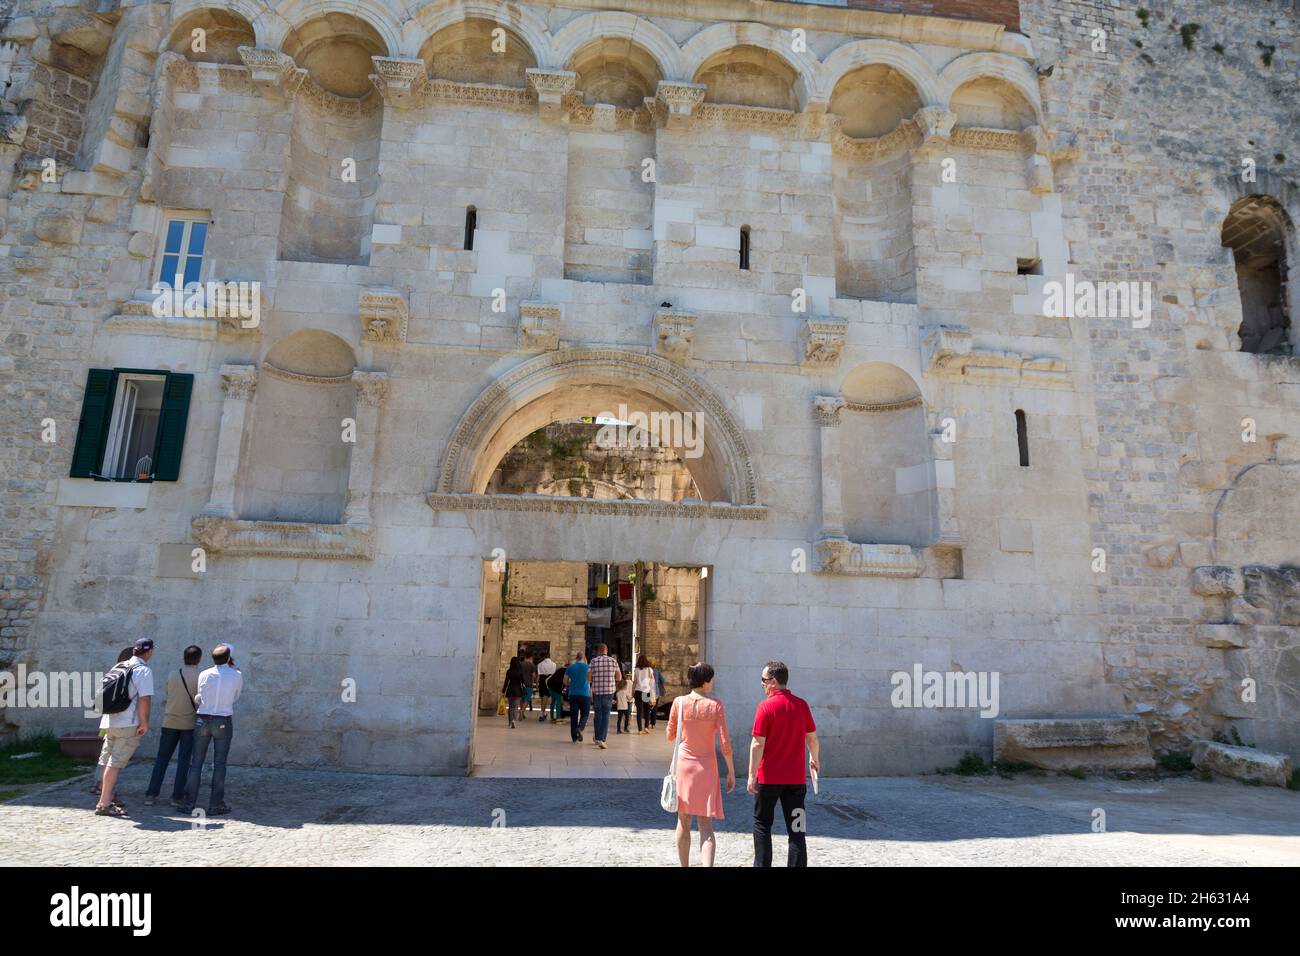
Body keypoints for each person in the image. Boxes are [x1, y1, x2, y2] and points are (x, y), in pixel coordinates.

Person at [748, 660, 819, 868]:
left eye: (764, 680)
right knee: (797, 830)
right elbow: (812, 738)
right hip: (796, 781)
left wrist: (752, 775)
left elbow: (756, 744)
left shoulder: (765, 707)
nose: (761, 684)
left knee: (762, 825)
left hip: (768, 779)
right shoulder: (801, 705)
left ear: (774, 682)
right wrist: (815, 759)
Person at [667, 662, 735, 868]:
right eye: (711, 678)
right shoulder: (715, 706)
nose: (713, 682)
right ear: (705, 681)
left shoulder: (678, 702)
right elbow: (725, 743)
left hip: (683, 766)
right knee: (706, 826)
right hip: (707, 768)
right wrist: (731, 770)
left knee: (683, 821)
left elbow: (670, 736)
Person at [179, 644, 243, 816]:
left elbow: (200, 694)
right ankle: (216, 804)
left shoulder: (204, 674)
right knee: (220, 764)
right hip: (222, 719)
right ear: (228, 658)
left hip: (202, 718)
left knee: (196, 762)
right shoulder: (236, 675)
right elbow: (236, 697)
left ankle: (188, 803)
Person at [94, 642, 152, 816]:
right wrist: (144, 722)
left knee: (106, 760)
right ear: (149, 652)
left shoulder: (119, 665)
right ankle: (104, 804)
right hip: (128, 722)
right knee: (115, 763)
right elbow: (144, 699)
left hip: (109, 720)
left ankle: (107, 798)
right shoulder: (143, 670)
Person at [144, 644, 202, 807]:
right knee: (184, 761)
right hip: (189, 723)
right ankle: (176, 796)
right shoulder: (201, 676)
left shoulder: (173, 674)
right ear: (199, 659)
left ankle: (151, 794)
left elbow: (168, 693)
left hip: (169, 721)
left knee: (162, 759)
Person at [91, 646, 134, 800]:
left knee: (106, 753)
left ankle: (98, 784)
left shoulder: (114, 671)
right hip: (118, 721)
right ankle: (101, 786)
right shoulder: (126, 674)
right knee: (110, 756)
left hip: (107, 720)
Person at [587, 643, 619, 749]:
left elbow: (589, 678)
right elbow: (618, 677)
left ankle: (597, 737)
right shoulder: (613, 661)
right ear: (607, 650)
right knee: (606, 715)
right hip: (609, 691)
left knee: (598, 714)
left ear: (598, 651)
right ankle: (602, 739)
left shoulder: (593, 661)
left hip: (597, 691)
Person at [563, 651, 590, 743]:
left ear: (576, 658)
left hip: (573, 694)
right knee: (585, 713)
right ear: (584, 658)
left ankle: (574, 737)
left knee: (573, 715)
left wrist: (572, 683)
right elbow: (590, 679)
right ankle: (580, 728)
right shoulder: (588, 667)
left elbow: (565, 681)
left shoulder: (570, 667)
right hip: (584, 694)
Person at [632, 654, 655, 735]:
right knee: (647, 710)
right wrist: (651, 689)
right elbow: (652, 680)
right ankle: (646, 727)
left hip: (638, 691)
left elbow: (634, 682)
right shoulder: (649, 669)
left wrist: (632, 691)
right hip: (646, 692)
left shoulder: (637, 670)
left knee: (639, 711)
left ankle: (640, 730)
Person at [502, 656, 525, 729]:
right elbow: (523, 681)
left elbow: (506, 682)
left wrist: (503, 691)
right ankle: (514, 720)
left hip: (510, 690)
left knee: (510, 706)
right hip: (518, 690)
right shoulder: (520, 671)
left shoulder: (509, 671)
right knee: (515, 707)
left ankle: (510, 721)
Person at [536, 652, 557, 723]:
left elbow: (538, 676)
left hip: (542, 681)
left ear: (544, 657)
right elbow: (553, 676)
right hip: (549, 681)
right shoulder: (554, 664)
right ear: (549, 656)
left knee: (543, 698)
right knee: (545, 697)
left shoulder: (540, 664)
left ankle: (543, 713)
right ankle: (542, 713)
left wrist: (536, 684)